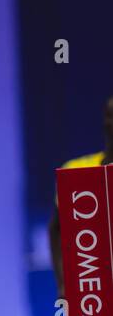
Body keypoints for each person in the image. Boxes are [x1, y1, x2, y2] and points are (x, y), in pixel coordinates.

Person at [49, 94, 112, 300]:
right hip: (93, 298)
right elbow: (58, 229)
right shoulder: (77, 172)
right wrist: (64, 284)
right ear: (105, 122)